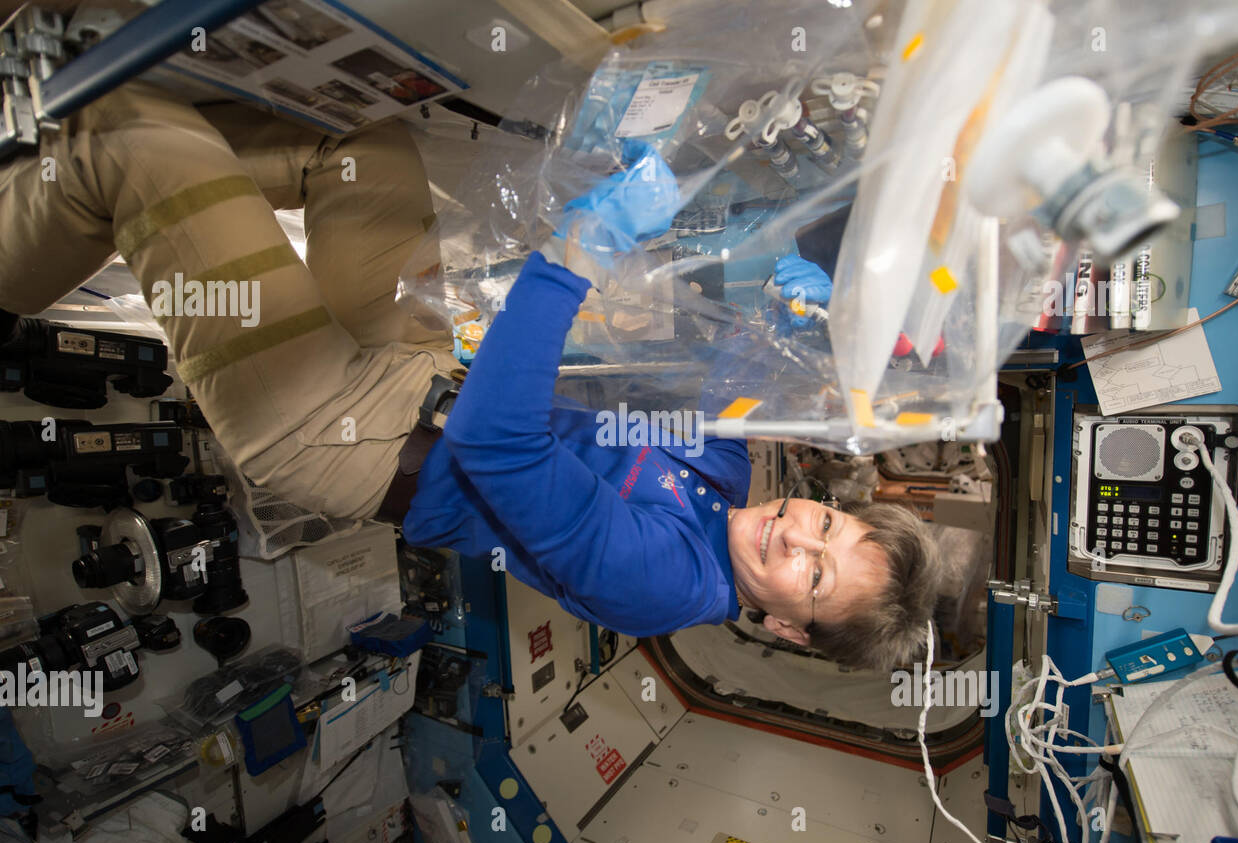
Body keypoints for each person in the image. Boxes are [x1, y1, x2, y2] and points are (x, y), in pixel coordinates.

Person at [0, 80, 938, 670]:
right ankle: (98, 151)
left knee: (138, 145)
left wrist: (578, 251)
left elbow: (498, 446)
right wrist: (781, 323)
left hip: (352, 438)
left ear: (784, 628)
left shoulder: (664, 582)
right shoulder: (725, 484)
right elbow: (720, 389)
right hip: (420, 367)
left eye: (811, 578)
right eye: (826, 525)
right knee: (360, 149)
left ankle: (96, 162)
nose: (794, 540)